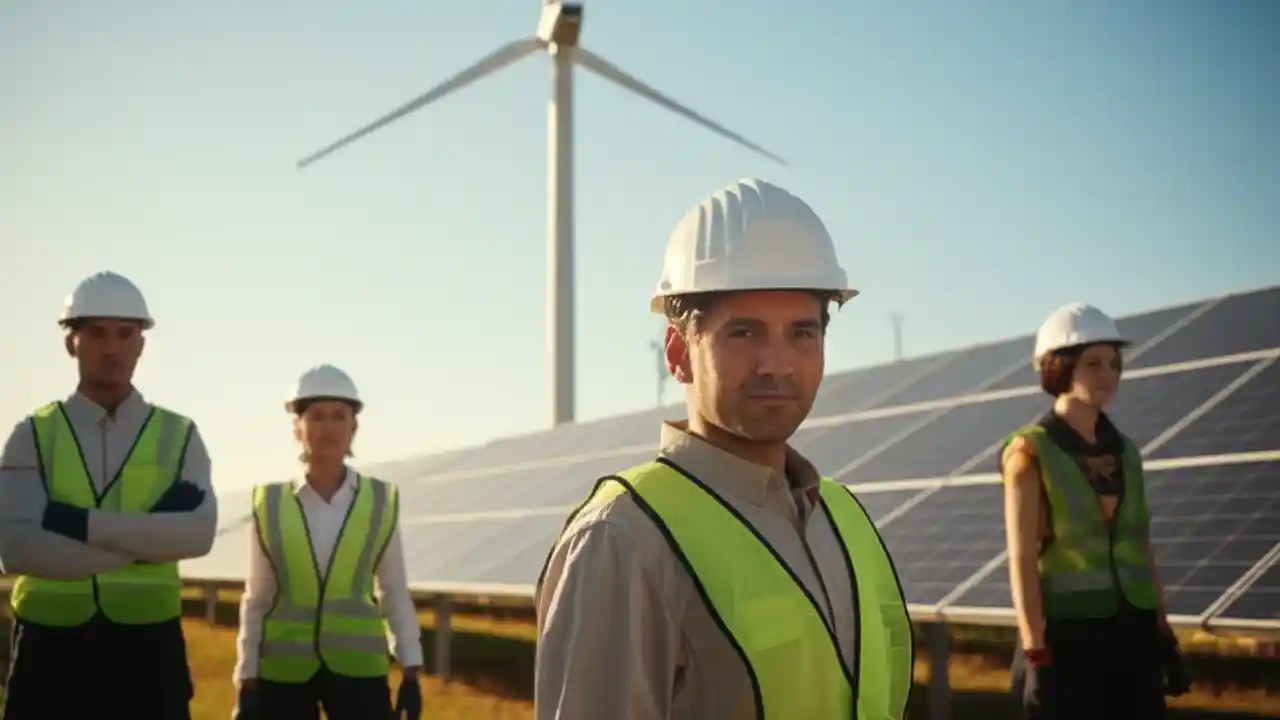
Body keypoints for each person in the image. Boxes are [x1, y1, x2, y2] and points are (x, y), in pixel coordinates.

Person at [535, 178, 914, 719]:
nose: (776, 363)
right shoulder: (623, 538)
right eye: (743, 332)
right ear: (677, 351)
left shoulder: (846, 517)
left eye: (801, 333)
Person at [0, 270, 217, 719]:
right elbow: (17, 549)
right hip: (49, 648)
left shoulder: (179, 435)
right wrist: (144, 543)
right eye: (96, 332)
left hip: (149, 651)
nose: (112, 347)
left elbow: (196, 536)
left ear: (142, 342)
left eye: (125, 333)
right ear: (71, 342)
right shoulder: (33, 434)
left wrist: (80, 524)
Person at [1002, 302, 1192, 719]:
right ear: (1059, 368)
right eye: (1092, 363)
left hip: (1134, 636)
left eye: (1113, 362)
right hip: (1068, 640)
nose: (1107, 374)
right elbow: (1021, 561)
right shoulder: (1030, 451)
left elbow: (1142, 547)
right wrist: (1035, 652)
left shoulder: (1127, 453)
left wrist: (1162, 632)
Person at [232, 364, 423, 720]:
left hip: (360, 673)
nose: (329, 427)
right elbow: (257, 598)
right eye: (317, 416)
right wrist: (246, 677)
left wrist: (411, 667)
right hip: (283, 674)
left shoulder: (381, 500)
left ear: (354, 426)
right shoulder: (269, 503)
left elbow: (393, 588)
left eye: (339, 416)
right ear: (297, 427)